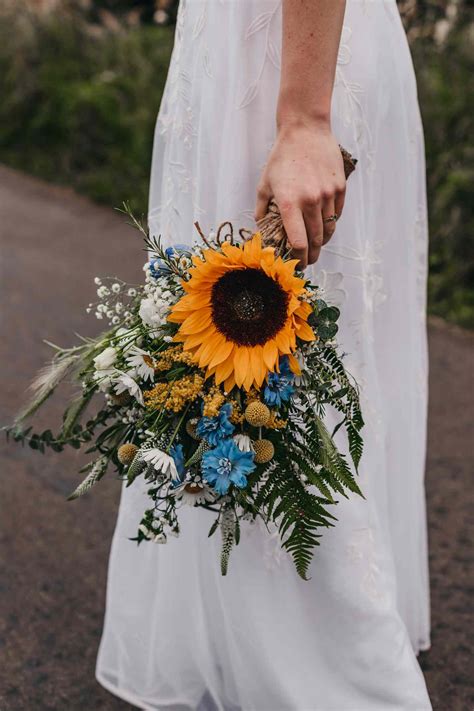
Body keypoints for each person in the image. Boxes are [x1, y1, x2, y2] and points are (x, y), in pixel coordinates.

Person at [96, 1, 432, 708]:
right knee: (238, 360)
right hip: (255, 50)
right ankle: (242, 642)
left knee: (294, 374)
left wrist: (305, 116)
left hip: (286, 63)